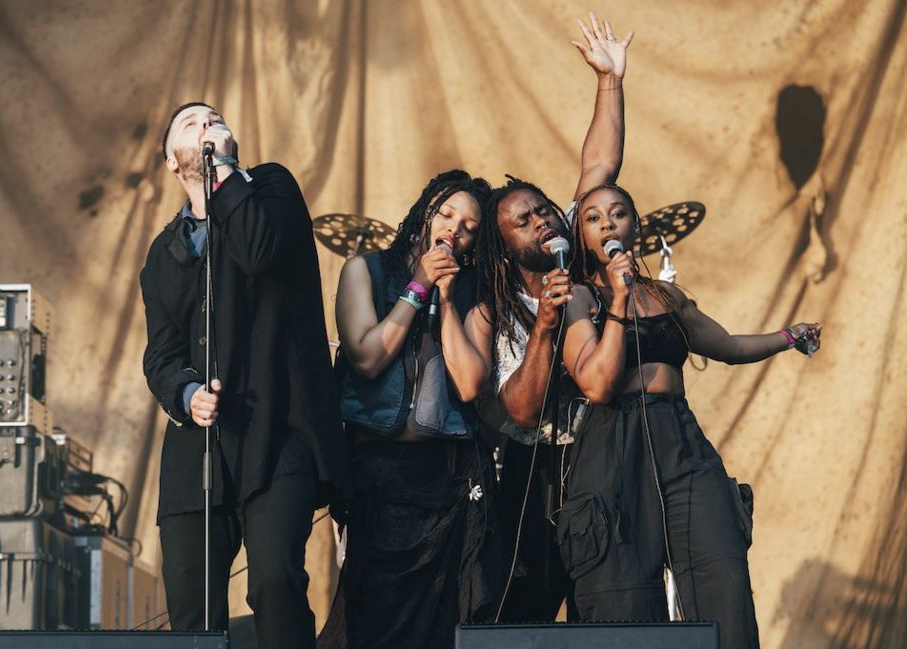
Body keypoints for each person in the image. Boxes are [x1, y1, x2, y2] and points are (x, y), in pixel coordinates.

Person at [558, 181, 822, 649]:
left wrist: (788, 336)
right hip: (614, 440)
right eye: (593, 218)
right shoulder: (580, 298)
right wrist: (617, 300)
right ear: (582, 235)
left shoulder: (666, 297)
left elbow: (730, 347)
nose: (607, 225)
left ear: (635, 226)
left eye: (617, 214)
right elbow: (595, 383)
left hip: (678, 435)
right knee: (623, 599)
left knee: (722, 576)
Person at [140, 102, 350, 648]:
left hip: (279, 434)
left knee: (276, 585)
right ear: (170, 161)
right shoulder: (162, 256)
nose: (207, 124)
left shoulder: (273, 189)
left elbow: (257, 252)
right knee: (192, 613)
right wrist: (187, 396)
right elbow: (160, 354)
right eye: (192, 123)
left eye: (214, 117)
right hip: (198, 450)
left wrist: (226, 170)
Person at [467, 12, 632, 623]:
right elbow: (520, 410)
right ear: (504, 246)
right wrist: (544, 325)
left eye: (544, 209)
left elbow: (599, 171)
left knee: (607, 615)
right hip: (531, 478)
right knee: (524, 616)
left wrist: (610, 82)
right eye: (524, 220)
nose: (544, 220)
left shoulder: (580, 260)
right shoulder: (497, 309)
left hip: (600, 461)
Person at [318, 170, 503, 649]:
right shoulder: (366, 270)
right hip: (378, 472)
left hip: (447, 476)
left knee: (444, 620)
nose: (453, 230)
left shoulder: (475, 294)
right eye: (446, 214)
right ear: (425, 211)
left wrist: (444, 299)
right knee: (372, 618)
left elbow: (470, 382)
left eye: (468, 226)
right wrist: (418, 285)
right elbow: (367, 357)